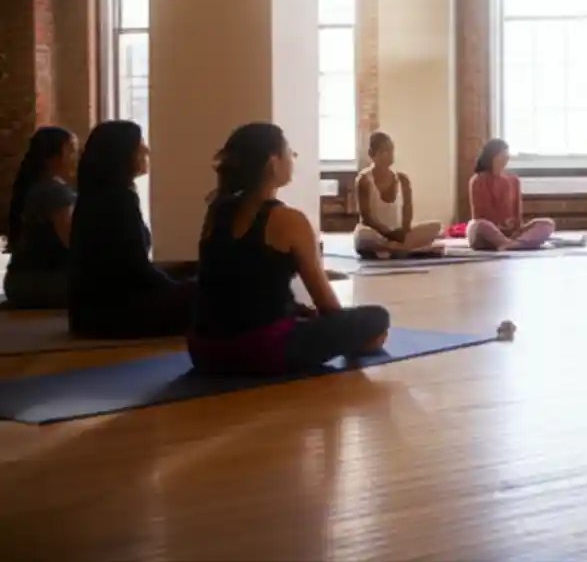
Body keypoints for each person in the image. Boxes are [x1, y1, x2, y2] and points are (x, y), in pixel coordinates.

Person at [188, 123, 390, 374]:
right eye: (289, 152)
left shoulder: (216, 211)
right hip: (260, 351)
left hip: (204, 350)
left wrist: (297, 312)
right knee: (377, 319)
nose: (293, 158)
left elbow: (235, 284)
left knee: (303, 316)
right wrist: (346, 331)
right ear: (273, 163)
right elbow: (329, 308)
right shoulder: (290, 220)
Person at [68, 120, 194, 338]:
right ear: (122, 154)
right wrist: (179, 288)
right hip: (114, 312)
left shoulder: (97, 196)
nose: (146, 150)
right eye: (140, 144)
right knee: (210, 293)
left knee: (193, 272)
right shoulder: (117, 200)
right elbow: (137, 270)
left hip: (90, 312)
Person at [3, 127, 78, 308]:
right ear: (52, 158)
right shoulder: (53, 192)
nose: (76, 157)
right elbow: (73, 241)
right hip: (43, 281)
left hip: (23, 281)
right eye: (71, 151)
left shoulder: (42, 187)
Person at [353, 132, 442, 258]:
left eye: (391, 150)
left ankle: (394, 249)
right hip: (377, 233)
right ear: (372, 155)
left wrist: (404, 231)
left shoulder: (402, 179)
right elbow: (366, 218)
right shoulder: (364, 180)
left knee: (435, 227)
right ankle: (409, 250)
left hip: (397, 234)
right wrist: (387, 232)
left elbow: (407, 212)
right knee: (363, 235)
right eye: (383, 151)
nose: (388, 155)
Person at [466, 138, 555, 251]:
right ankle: (509, 244)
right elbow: (479, 215)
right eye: (502, 154)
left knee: (547, 224)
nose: (506, 158)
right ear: (491, 156)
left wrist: (515, 228)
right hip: (486, 235)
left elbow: (517, 216)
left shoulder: (513, 180)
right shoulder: (478, 180)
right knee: (478, 225)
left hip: (511, 234)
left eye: (506, 154)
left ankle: (515, 244)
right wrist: (501, 225)